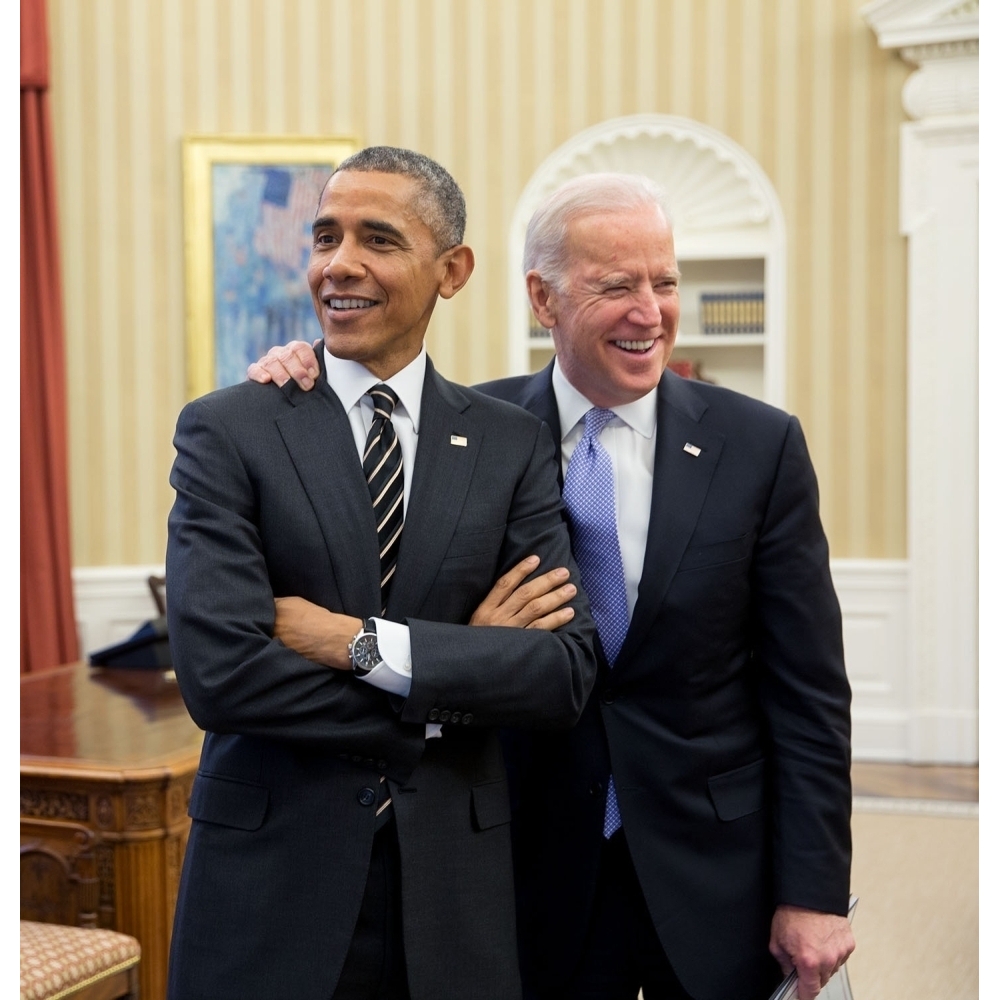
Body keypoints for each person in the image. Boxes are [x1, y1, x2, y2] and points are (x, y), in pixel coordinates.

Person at [249, 172, 855, 1000]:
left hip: (712, 861)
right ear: (544, 298)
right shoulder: (465, 431)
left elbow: (809, 693)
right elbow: (394, 603)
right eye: (616, 286)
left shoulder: (761, 446)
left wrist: (814, 891)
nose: (651, 311)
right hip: (521, 858)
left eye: (665, 282)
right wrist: (302, 375)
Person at [165, 146, 598, 1000]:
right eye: (325, 236)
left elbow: (560, 673)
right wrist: (451, 682)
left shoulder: (510, 443)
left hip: (454, 889)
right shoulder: (230, 430)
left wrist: (354, 644)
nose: (339, 264)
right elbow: (221, 679)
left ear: (453, 269)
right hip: (270, 883)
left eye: (378, 239)